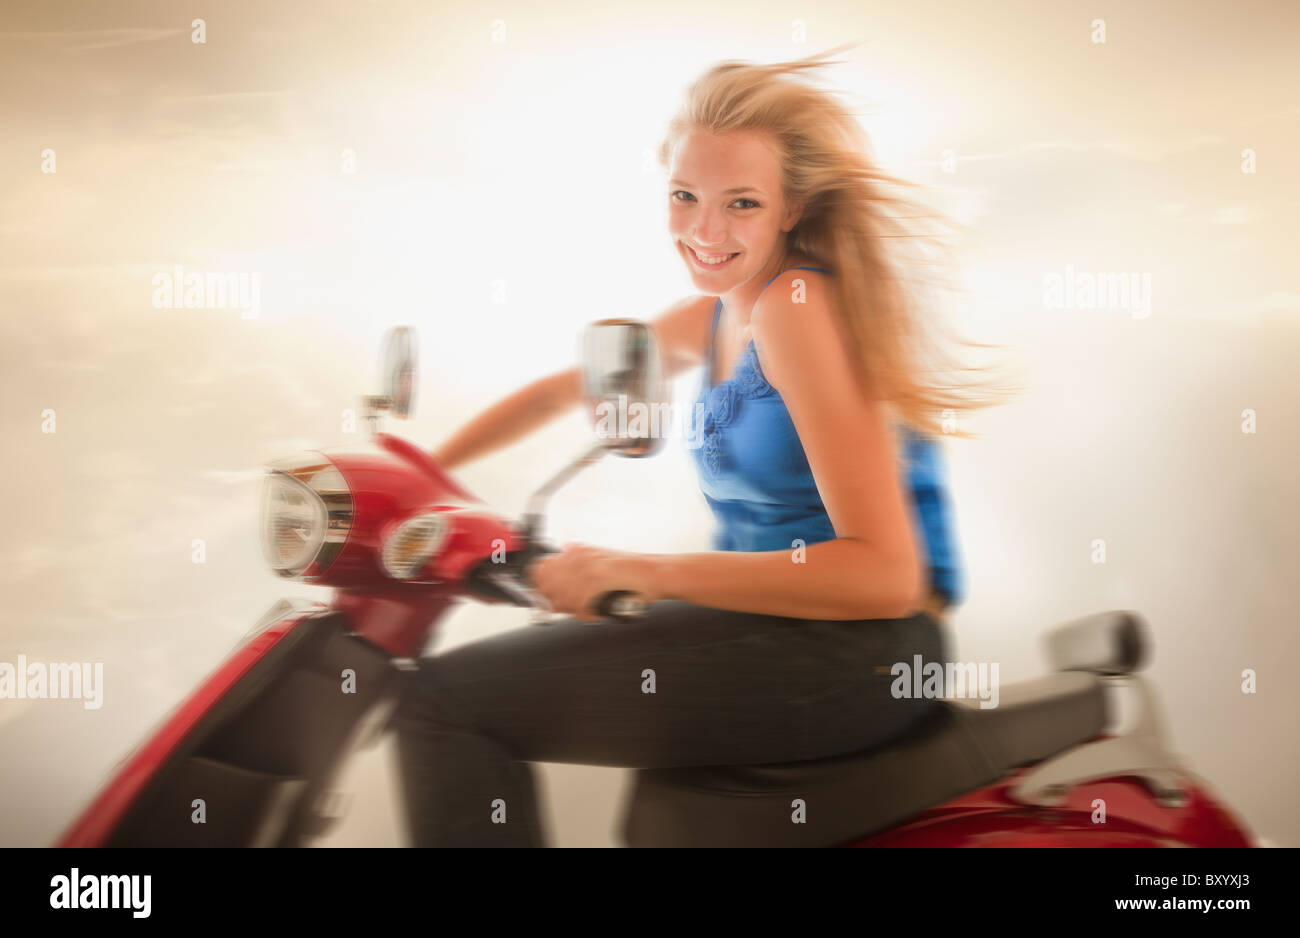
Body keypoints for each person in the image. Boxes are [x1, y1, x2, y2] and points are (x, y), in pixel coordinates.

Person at [394, 46, 1015, 847]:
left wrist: (647, 571)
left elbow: (887, 573)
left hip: (855, 655)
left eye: (742, 204)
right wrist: (422, 477)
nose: (704, 230)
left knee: (443, 703)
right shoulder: (720, 311)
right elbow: (564, 389)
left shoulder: (797, 309)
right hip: (778, 629)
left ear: (792, 209)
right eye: (685, 196)